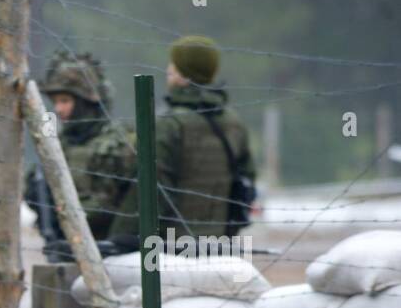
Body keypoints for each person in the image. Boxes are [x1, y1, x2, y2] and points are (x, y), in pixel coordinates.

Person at [25, 50, 138, 245]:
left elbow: (117, 204)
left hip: (110, 248)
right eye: (56, 102)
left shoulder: (120, 144)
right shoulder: (57, 144)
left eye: (65, 101)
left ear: (86, 102)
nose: (58, 109)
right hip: (65, 246)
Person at [156, 35, 256, 240]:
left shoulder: (169, 123)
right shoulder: (233, 120)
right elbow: (248, 176)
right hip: (220, 238)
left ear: (184, 75)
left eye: (174, 66)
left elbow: (154, 187)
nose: (168, 70)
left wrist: (122, 237)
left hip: (171, 242)